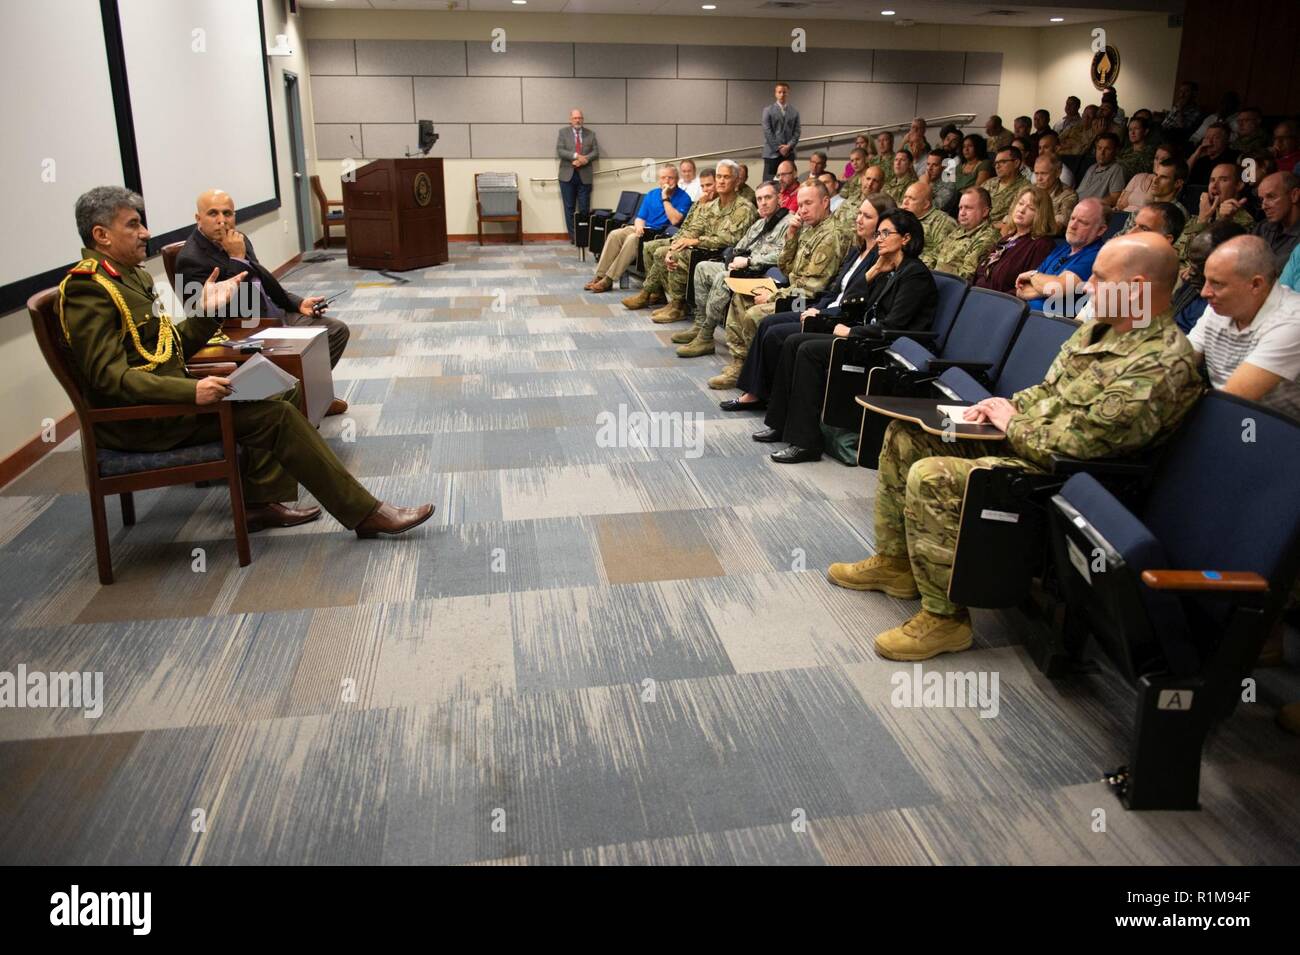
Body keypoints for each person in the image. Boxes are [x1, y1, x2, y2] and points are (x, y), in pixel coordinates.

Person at [827, 233, 1203, 661]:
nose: (1088, 287)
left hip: (1069, 477)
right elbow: (1050, 390)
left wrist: (1014, 423)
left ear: (1135, 287)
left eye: (1099, 278)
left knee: (931, 476)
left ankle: (945, 619)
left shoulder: (1163, 362)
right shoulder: (1101, 329)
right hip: (1029, 441)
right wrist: (1004, 405)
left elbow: (1086, 447)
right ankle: (897, 565)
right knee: (905, 436)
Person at [63, 186, 433, 537]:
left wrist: (210, 312)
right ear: (102, 235)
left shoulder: (131, 277)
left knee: (281, 387)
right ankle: (365, 514)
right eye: (133, 225)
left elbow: (166, 347)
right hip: (146, 419)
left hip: (169, 402)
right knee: (277, 416)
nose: (145, 233)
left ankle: (260, 503)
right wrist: (191, 390)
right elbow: (109, 379)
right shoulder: (89, 289)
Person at [755, 208, 938, 463]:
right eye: (879, 233)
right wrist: (873, 270)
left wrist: (852, 331)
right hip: (866, 338)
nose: (880, 239)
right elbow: (851, 301)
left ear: (906, 238)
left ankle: (805, 442)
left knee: (808, 350)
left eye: (886, 233)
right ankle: (781, 424)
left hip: (883, 348)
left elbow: (893, 325)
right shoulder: (889, 269)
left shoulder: (914, 274)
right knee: (793, 341)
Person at [175, 189, 351, 417]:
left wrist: (298, 304)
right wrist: (236, 259)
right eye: (213, 214)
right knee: (307, 346)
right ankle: (300, 403)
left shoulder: (239, 239)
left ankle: (309, 396)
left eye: (227, 213)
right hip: (244, 326)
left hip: (271, 313)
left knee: (335, 330)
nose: (222, 221)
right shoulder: (191, 258)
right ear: (198, 218)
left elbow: (263, 280)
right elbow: (221, 310)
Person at [726, 193, 893, 412]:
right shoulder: (856, 250)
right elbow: (789, 271)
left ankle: (762, 391)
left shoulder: (846, 242)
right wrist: (792, 235)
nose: (859, 219)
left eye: (867, 216)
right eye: (859, 213)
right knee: (766, 320)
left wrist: (790, 301)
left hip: (813, 304)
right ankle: (755, 389)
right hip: (816, 302)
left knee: (763, 320)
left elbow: (818, 288)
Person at [713, 179, 846, 390]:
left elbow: (812, 287)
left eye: (808, 203)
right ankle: (741, 362)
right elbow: (786, 269)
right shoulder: (809, 228)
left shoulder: (831, 235)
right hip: (793, 291)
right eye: (800, 205)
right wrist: (792, 235)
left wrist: (774, 297)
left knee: (754, 314)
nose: (802, 210)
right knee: (741, 297)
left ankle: (755, 373)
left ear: (825, 201)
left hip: (808, 302)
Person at [674, 180, 790, 358]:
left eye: (768, 197)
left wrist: (749, 261)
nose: (763, 202)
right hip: (743, 268)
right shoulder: (761, 223)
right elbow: (739, 246)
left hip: (763, 274)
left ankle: (705, 337)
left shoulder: (789, 223)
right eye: (759, 199)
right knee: (703, 268)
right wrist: (735, 259)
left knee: (723, 277)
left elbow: (782, 255)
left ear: (779, 198)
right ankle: (699, 324)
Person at [1190, 235, 1300, 420]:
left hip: (1275, 432)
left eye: (1217, 283)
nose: (1204, 292)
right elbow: (1180, 360)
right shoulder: (1219, 305)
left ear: (1256, 284)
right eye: (1206, 281)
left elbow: (1230, 402)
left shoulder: (1292, 322)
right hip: (1229, 417)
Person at [648, 159, 757, 324]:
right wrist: (673, 246)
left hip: (724, 256)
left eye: (726, 177)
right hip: (705, 249)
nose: (721, 180)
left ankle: (679, 306)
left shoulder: (744, 208)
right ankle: (676, 302)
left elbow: (729, 239)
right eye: (719, 176)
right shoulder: (712, 205)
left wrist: (696, 241)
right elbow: (694, 228)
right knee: (665, 252)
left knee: (680, 255)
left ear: (736, 180)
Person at [583, 164, 690, 293]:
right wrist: (639, 226)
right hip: (642, 228)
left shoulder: (684, 197)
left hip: (658, 233)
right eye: (663, 178)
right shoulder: (652, 194)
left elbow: (675, 220)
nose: (666, 181)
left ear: (677, 179)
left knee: (632, 239)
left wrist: (665, 197)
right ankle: (599, 275)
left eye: (670, 178)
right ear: (659, 180)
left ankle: (609, 279)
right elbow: (640, 217)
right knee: (615, 234)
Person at [620, 169, 715, 311]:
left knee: (660, 252)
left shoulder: (690, 199)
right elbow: (688, 225)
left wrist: (665, 198)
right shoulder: (700, 202)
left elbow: (678, 221)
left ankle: (664, 300)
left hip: (700, 245)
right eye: (703, 186)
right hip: (684, 237)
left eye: (709, 185)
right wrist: (677, 240)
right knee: (648, 246)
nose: (705, 190)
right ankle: (658, 293)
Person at [1014, 197, 1108, 317]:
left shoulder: (1097, 256)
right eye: (1072, 218)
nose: (1073, 225)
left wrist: (1033, 276)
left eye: (1083, 222)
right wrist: (1045, 288)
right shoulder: (1062, 249)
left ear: (1100, 230)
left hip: (1053, 325)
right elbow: (1021, 289)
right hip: (1026, 316)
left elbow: (1055, 288)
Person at [972, 186, 1057, 294]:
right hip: (976, 296)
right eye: (1020, 204)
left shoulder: (1042, 245)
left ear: (1041, 214)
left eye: (1031, 208)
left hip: (1000, 304)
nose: (1021, 210)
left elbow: (1027, 287)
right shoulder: (1007, 238)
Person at [1171, 219, 1248, 333]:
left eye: (1201, 265)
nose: (1191, 272)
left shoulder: (1225, 307)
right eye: (1191, 263)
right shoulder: (1189, 285)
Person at [1176, 162, 1255, 264]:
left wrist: (1223, 221)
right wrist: (1202, 219)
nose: (1214, 185)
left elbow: (1209, 258)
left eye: (1223, 180)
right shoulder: (1203, 213)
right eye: (1212, 180)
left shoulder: (1245, 222)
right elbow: (1177, 252)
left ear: (1239, 185)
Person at [921, 187, 999, 281]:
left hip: (952, 287)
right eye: (960, 208)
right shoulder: (959, 231)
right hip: (934, 280)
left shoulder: (987, 238)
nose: (962, 213)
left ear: (985, 212)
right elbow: (934, 255)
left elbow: (967, 275)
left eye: (968, 208)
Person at [556, 108, 598, 241]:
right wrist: (575, 156)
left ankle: (583, 236)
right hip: (567, 175)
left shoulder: (591, 134)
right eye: (575, 118)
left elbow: (596, 152)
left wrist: (584, 159)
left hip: (584, 176)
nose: (578, 120)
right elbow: (560, 151)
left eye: (580, 118)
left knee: (584, 208)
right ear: (570, 120)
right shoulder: (563, 133)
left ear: (583, 119)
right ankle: (573, 237)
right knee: (569, 207)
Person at [1015, 154, 1076, 236]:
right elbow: (1012, 214)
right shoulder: (1029, 190)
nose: (1039, 179)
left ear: (1058, 172)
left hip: (1044, 239)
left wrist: (1026, 223)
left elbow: (1057, 227)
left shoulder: (1069, 195)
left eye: (1044, 173)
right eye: (1036, 174)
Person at [1252, 172, 1300, 268]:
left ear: (1294, 195)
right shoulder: (1263, 228)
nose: (1263, 206)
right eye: (1262, 200)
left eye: (1271, 197)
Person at [1115, 147, 1180, 212]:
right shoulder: (1139, 177)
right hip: (1122, 215)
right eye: (1156, 158)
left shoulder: (1165, 188)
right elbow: (1120, 204)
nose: (1159, 162)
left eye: (1164, 160)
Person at [901, 180, 956, 252]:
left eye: (912, 199)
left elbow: (943, 255)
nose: (905, 202)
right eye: (905, 197)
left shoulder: (943, 223)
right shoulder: (900, 217)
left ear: (926, 204)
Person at [1076, 132, 1127, 207]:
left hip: (1090, 210)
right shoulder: (1092, 167)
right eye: (1099, 148)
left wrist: (1091, 205)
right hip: (1075, 205)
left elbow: (1115, 197)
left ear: (1116, 151)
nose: (1102, 152)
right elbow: (1080, 192)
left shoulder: (1117, 169)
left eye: (1107, 149)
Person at [762, 82, 801, 179]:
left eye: (784, 92)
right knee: (769, 182)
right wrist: (779, 148)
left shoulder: (795, 111)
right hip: (772, 153)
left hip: (789, 153)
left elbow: (797, 131)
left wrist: (788, 146)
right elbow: (767, 131)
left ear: (788, 93)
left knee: (789, 181)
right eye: (779, 92)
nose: (782, 94)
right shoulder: (768, 110)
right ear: (775, 93)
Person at [1187, 122, 1237, 190]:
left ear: (1226, 140)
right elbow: (1182, 175)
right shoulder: (1200, 158)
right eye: (1207, 137)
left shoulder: (1233, 157)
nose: (1210, 141)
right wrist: (1196, 155)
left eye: (1216, 138)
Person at [985, 147, 1026, 224]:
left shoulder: (1025, 189)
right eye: (996, 163)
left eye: (1002, 162)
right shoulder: (989, 182)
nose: (997, 166)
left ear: (1016, 163)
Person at [923, 149, 958, 216]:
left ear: (944, 168)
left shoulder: (949, 186)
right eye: (928, 164)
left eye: (935, 165)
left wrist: (925, 186)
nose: (929, 168)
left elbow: (930, 208)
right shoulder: (925, 179)